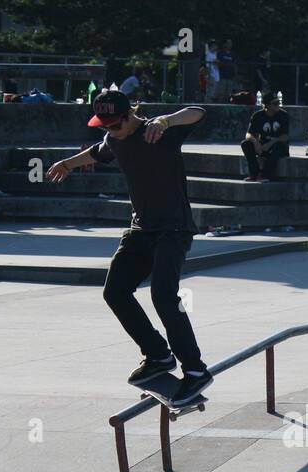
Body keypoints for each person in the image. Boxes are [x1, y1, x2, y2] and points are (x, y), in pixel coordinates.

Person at [46, 92, 213, 407]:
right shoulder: (115, 139)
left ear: (130, 116)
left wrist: (166, 120)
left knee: (163, 296)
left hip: (173, 230)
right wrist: (68, 163)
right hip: (141, 230)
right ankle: (158, 355)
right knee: (115, 292)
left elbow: (198, 111)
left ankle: (195, 369)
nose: (111, 132)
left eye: (115, 126)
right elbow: (99, 152)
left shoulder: (159, 132)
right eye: (105, 127)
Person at [241, 97, 289, 181]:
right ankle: (254, 174)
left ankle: (264, 175)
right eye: (275, 103)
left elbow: (285, 136)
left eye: (279, 103)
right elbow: (248, 134)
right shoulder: (258, 116)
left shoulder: (283, 115)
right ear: (267, 105)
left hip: (278, 145)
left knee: (278, 147)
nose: (278, 105)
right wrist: (255, 142)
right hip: (262, 145)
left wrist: (270, 143)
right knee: (246, 144)